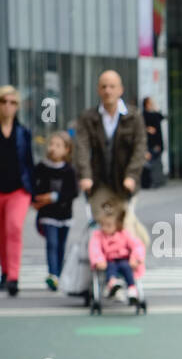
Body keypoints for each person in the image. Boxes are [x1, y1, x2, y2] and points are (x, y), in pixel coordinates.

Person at [72, 70, 149, 250]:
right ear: (98, 90)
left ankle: (129, 267)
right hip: (99, 183)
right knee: (104, 225)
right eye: (104, 86)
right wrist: (85, 175)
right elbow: (81, 147)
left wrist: (131, 176)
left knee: (124, 227)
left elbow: (140, 148)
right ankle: (107, 270)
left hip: (124, 183)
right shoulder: (88, 117)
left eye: (112, 86)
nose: (108, 91)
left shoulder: (134, 116)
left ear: (120, 90)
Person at [32, 131, 79, 290]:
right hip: (47, 214)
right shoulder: (41, 167)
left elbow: (73, 192)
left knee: (61, 245)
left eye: (58, 145)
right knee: (51, 243)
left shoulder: (69, 170)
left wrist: (54, 197)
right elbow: (34, 186)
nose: (53, 148)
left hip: (65, 215)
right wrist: (35, 200)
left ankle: (58, 273)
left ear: (67, 149)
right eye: (51, 144)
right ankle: (52, 274)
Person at [0, 85, 35, 296]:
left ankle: (13, 276)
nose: (7, 106)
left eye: (12, 102)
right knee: (1, 234)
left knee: (13, 228)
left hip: (19, 190)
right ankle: (4, 271)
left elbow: (29, 163)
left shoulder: (23, 132)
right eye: (3, 101)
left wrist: (35, 191)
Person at [87, 200, 144, 305]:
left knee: (127, 268)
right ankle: (112, 284)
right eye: (103, 225)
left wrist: (135, 258)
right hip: (108, 260)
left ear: (117, 225)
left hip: (124, 259)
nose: (105, 228)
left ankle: (132, 290)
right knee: (111, 267)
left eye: (108, 225)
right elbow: (95, 249)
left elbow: (137, 245)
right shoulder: (98, 236)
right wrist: (99, 260)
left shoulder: (124, 234)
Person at [141, 96, 165, 188]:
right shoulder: (143, 115)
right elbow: (140, 129)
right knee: (148, 164)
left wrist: (156, 109)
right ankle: (148, 182)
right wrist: (147, 129)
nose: (152, 105)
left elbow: (161, 117)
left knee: (155, 163)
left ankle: (156, 181)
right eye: (150, 103)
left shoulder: (154, 114)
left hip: (156, 144)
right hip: (149, 144)